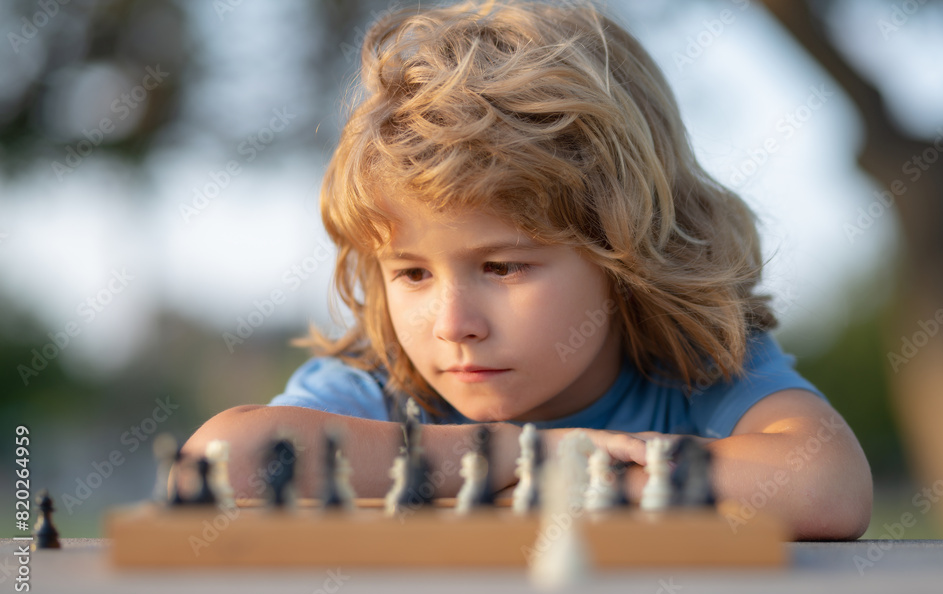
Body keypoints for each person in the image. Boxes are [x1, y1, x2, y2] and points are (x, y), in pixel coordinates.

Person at [183, 0, 872, 539]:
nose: (455, 325)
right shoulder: (382, 388)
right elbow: (222, 457)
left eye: (503, 266)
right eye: (413, 274)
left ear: (626, 253)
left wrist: (578, 482)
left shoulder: (697, 368)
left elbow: (828, 484)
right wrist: (515, 457)